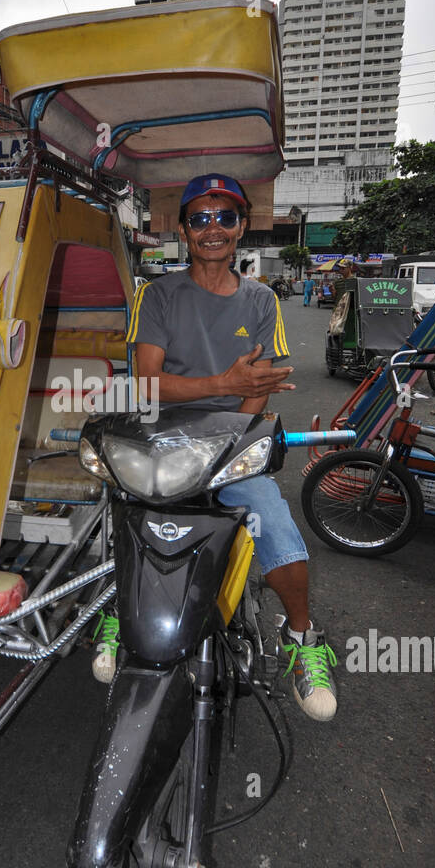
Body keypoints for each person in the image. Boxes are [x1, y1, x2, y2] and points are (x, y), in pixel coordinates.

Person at [92, 172, 338, 722]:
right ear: (183, 229)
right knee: (126, 512)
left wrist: (228, 443)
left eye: (224, 217)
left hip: (231, 447)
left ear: (241, 228)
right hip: (162, 441)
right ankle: (119, 604)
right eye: (199, 218)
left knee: (273, 520)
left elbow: (266, 385)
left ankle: (302, 638)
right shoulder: (156, 296)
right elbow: (147, 384)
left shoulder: (261, 302)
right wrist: (224, 384)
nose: (212, 229)